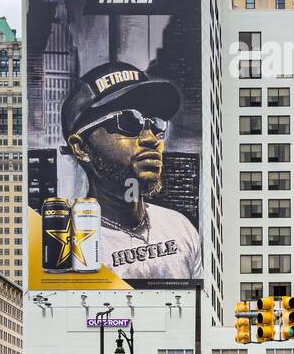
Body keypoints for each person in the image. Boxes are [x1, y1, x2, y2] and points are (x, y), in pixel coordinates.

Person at [61, 60, 200, 281]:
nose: (150, 138)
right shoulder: (63, 246)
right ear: (81, 147)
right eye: (128, 121)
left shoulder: (180, 227)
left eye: (156, 123)